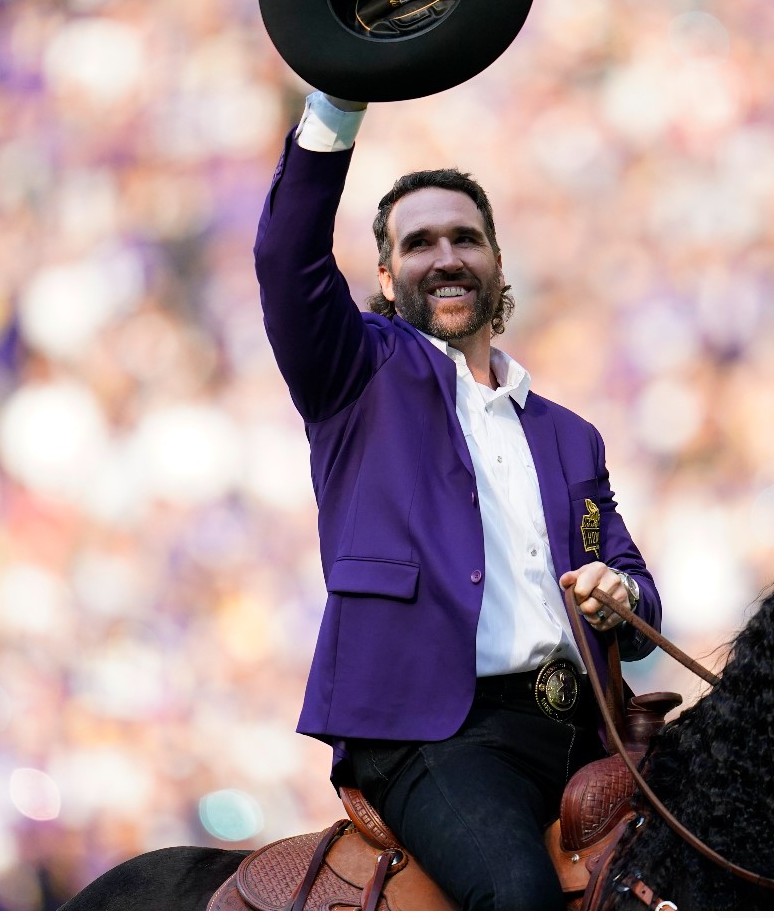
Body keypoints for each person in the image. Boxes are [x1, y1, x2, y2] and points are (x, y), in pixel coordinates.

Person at [252, 90, 664, 909]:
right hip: (434, 734)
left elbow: (638, 584)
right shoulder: (357, 375)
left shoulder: (570, 433)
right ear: (384, 274)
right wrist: (337, 101)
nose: (445, 256)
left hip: (584, 728)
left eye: (465, 238)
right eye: (419, 243)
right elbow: (284, 257)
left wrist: (621, 595)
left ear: (497, 263)